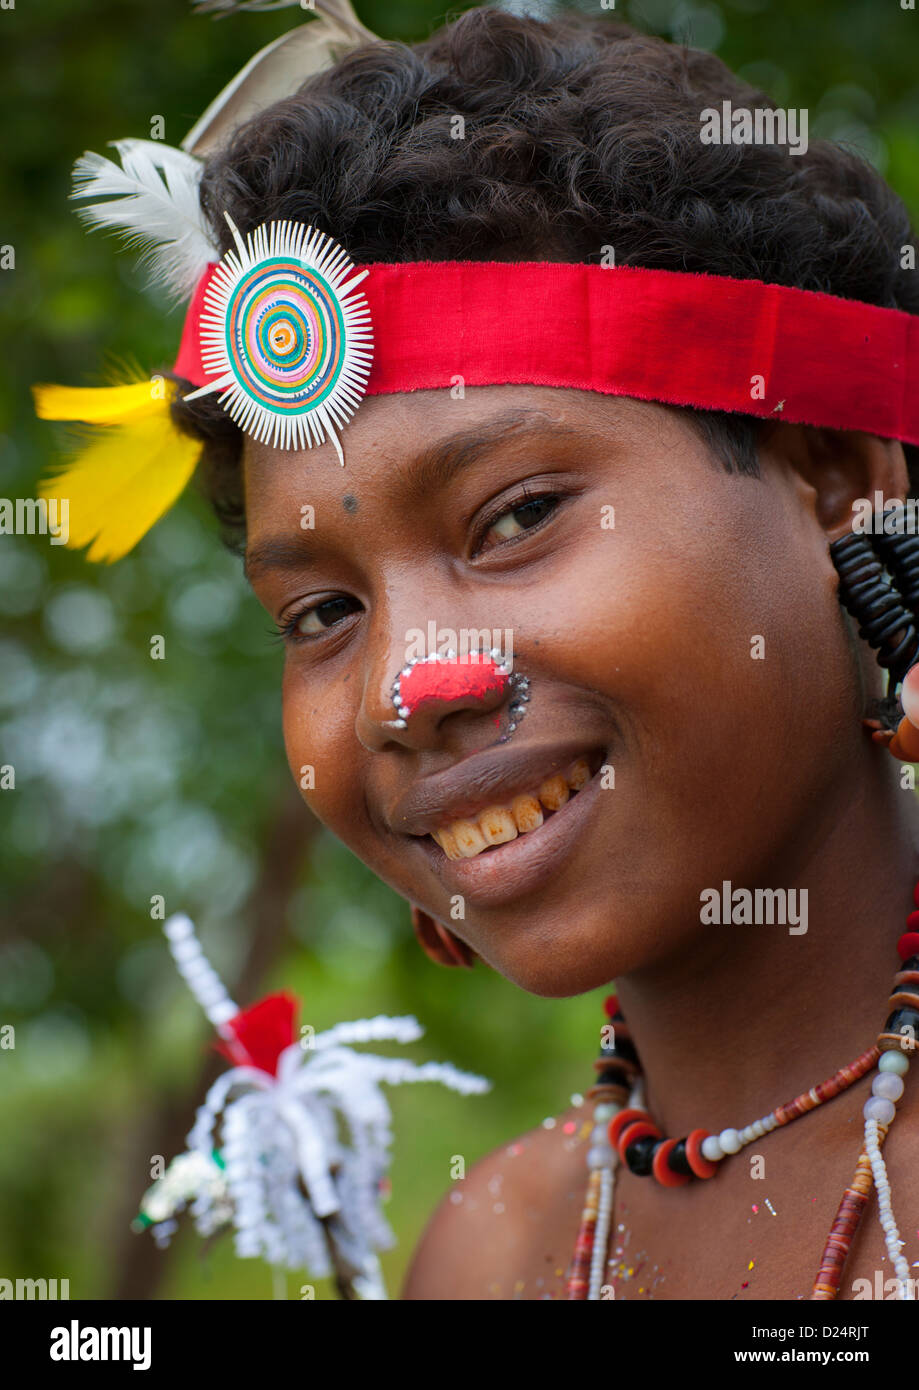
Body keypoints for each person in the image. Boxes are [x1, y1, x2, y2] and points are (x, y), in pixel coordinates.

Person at [36, 6, 919, 1300]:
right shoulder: (487, 1250)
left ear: (836, 479)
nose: (406, 688)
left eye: (515, 518)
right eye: (322, 614)